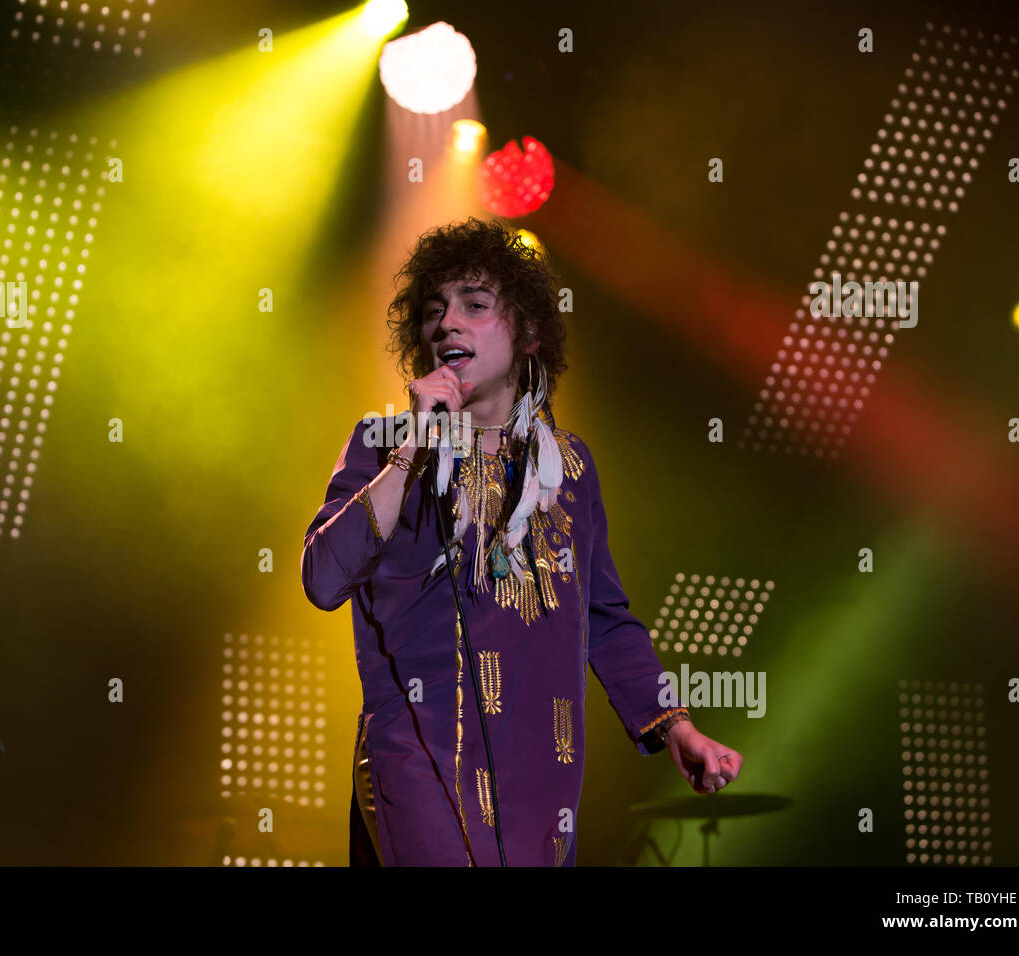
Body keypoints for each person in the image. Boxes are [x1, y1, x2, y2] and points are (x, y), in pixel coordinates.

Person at [301, 217, 743, 866]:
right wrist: (412, 450)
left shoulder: (568, 468)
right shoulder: (381, 442)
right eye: (433, 310)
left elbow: (605, 618)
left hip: (540, 772)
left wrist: (675, 723)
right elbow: (322, 579)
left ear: (529, 331)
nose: (447, 322)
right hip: (419, 758)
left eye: (474, 306)